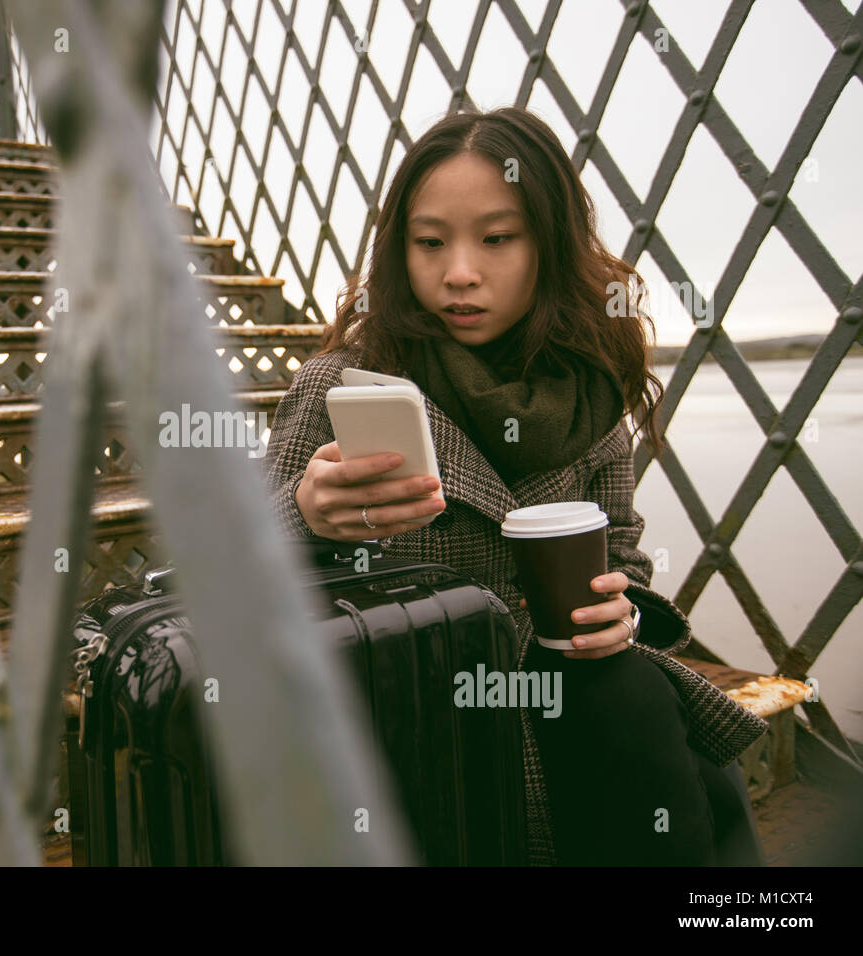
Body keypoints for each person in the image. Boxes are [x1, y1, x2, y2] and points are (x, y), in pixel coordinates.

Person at [261, 106, 768, 866]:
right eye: (429, 242)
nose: (459, 272)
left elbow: (622, 547)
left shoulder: (588, 387)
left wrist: (616, 608)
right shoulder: (344, 384)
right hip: (411, 702)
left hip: (571, 696)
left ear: (549, 246)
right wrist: (305, 514)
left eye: (497, 239)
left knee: (635, 707)